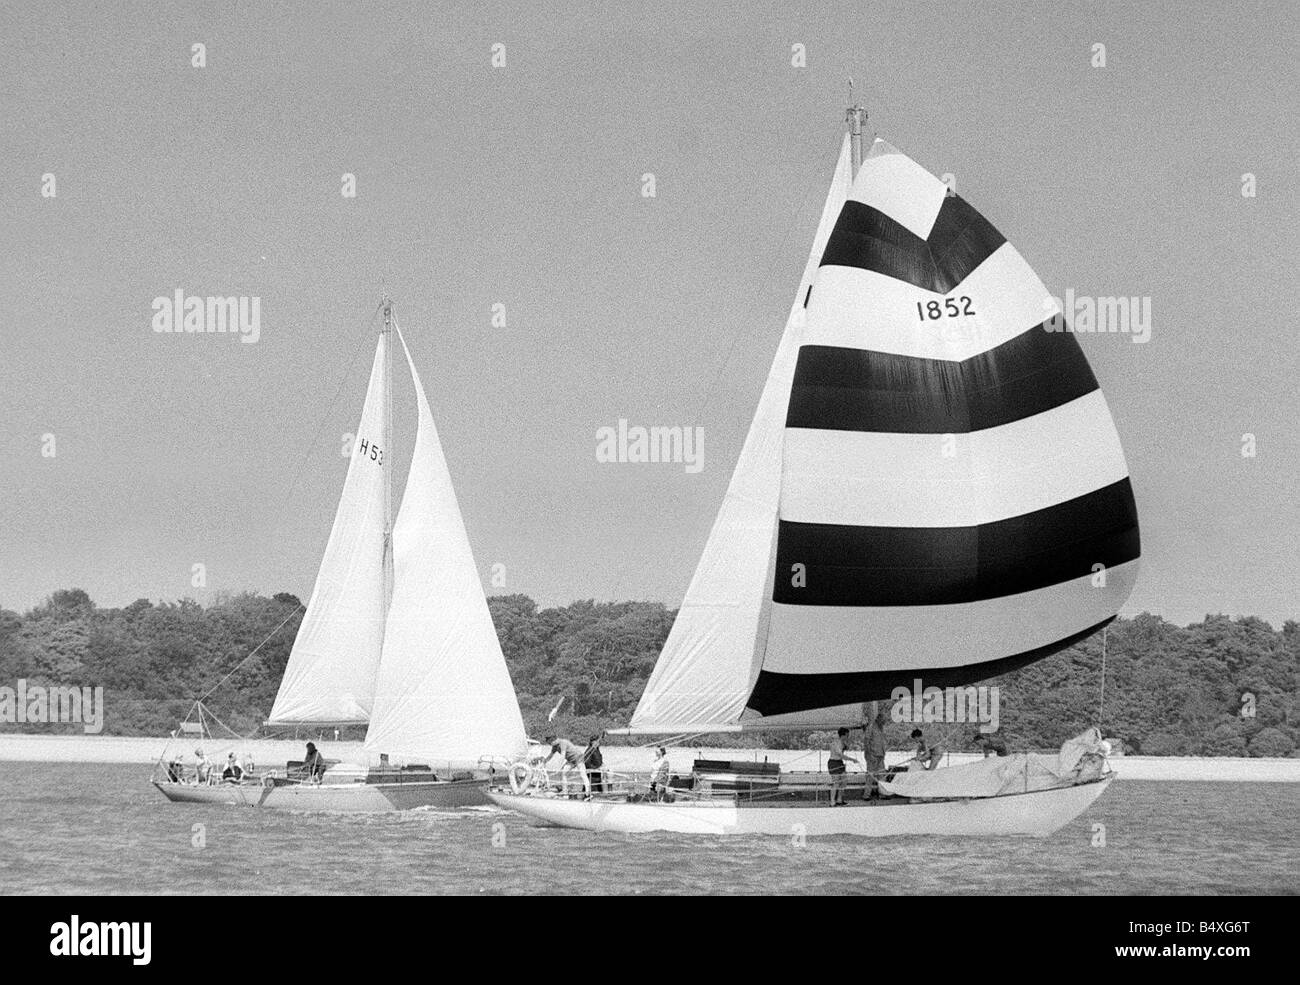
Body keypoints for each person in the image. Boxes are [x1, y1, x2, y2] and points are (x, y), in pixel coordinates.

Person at [827, 727, 860, 806]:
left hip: (840, 763)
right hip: (833, 762)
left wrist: (845, 744)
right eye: (847, 735)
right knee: (836, 783)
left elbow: (846, 748)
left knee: (844, 781)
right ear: (843, 735)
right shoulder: (836, 742)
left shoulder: (842, 742)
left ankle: (839, 800)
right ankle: (832, 802)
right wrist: (852, 759)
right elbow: (840, 755)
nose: (848, 737)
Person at [862, 710, 888, 800]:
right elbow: (866, 741)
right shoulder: (871, 727)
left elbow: (882, 742)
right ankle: (866, 795)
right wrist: (869, 754)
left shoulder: (882, 728)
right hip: (872, 755)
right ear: (879, 719)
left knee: (882, 775)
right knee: (870, 776)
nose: (884, 722)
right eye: (883, 720)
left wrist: (884, 753)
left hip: (881, 755)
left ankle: (882, 794)